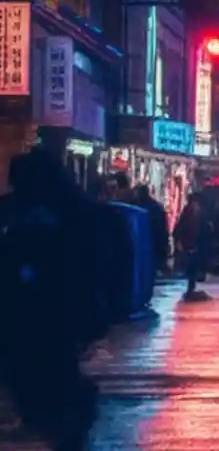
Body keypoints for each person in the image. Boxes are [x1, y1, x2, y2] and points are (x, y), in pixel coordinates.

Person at [0, 149, 108, 448]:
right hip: (52, 316)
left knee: (42, 381)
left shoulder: (27, 216)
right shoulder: (78, 213)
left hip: (39, 315)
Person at [174, 192, 215, 301]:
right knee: (192, 268)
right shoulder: (193, 213)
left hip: (194, 245)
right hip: (191, 245)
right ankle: (190, 290)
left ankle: (190, 289)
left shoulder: (195, 213)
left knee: (192, 268)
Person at [135, 184, 170, 276]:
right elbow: (163, 228)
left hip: (146, 242)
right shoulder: (156, 207)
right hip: (152, 242)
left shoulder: (139, 207)